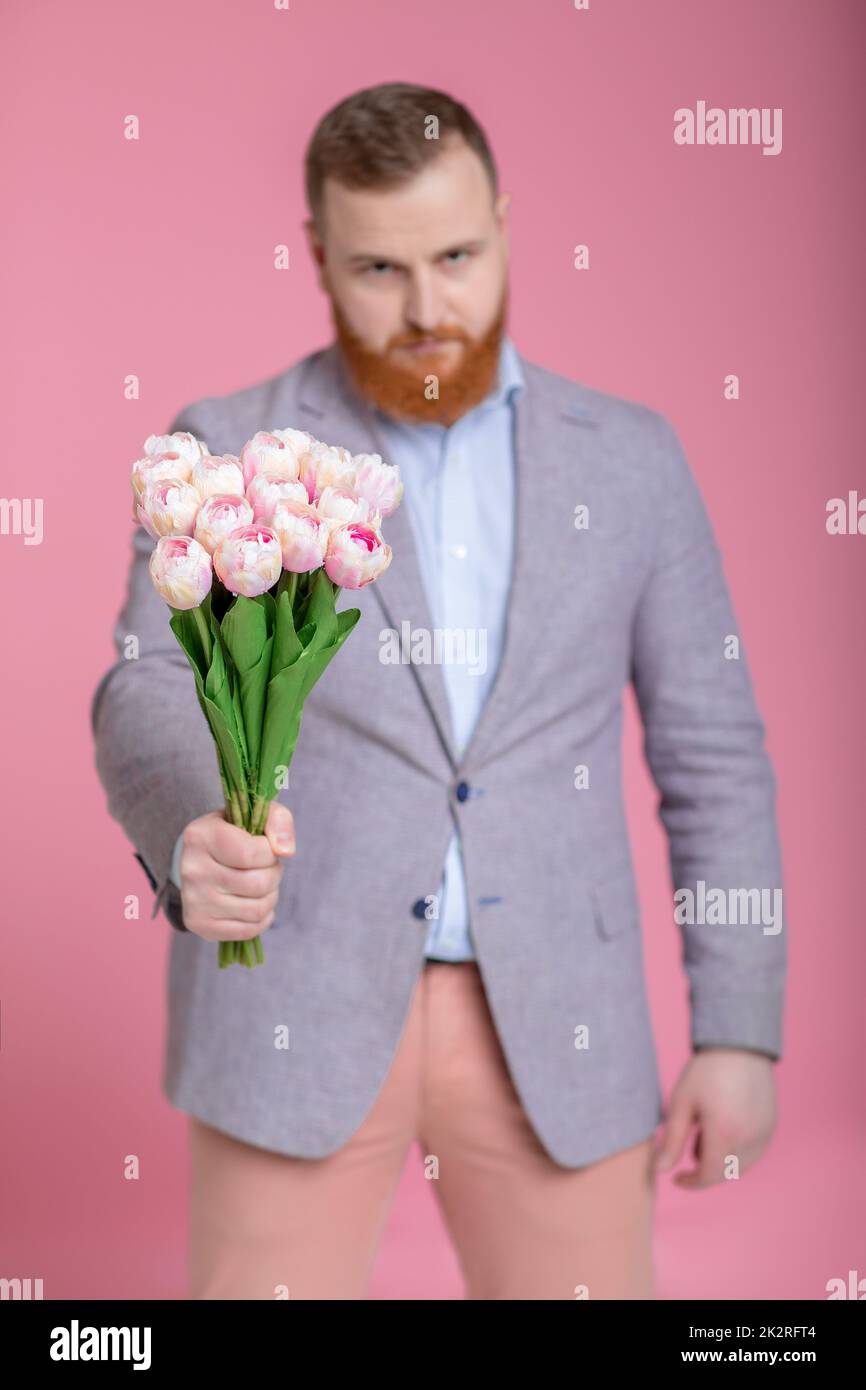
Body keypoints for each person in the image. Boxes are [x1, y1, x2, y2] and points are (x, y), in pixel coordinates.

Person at [91, 81, 786, 1300]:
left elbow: (712, 751)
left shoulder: (630, 460)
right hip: (289, 1006)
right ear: (315, 255)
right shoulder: (226, 441)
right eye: (377, 269)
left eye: (456, 255)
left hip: (557, 1023)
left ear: (507, 224)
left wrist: (735, 1026)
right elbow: (145, 682)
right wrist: (188, 829)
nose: (425, 309)